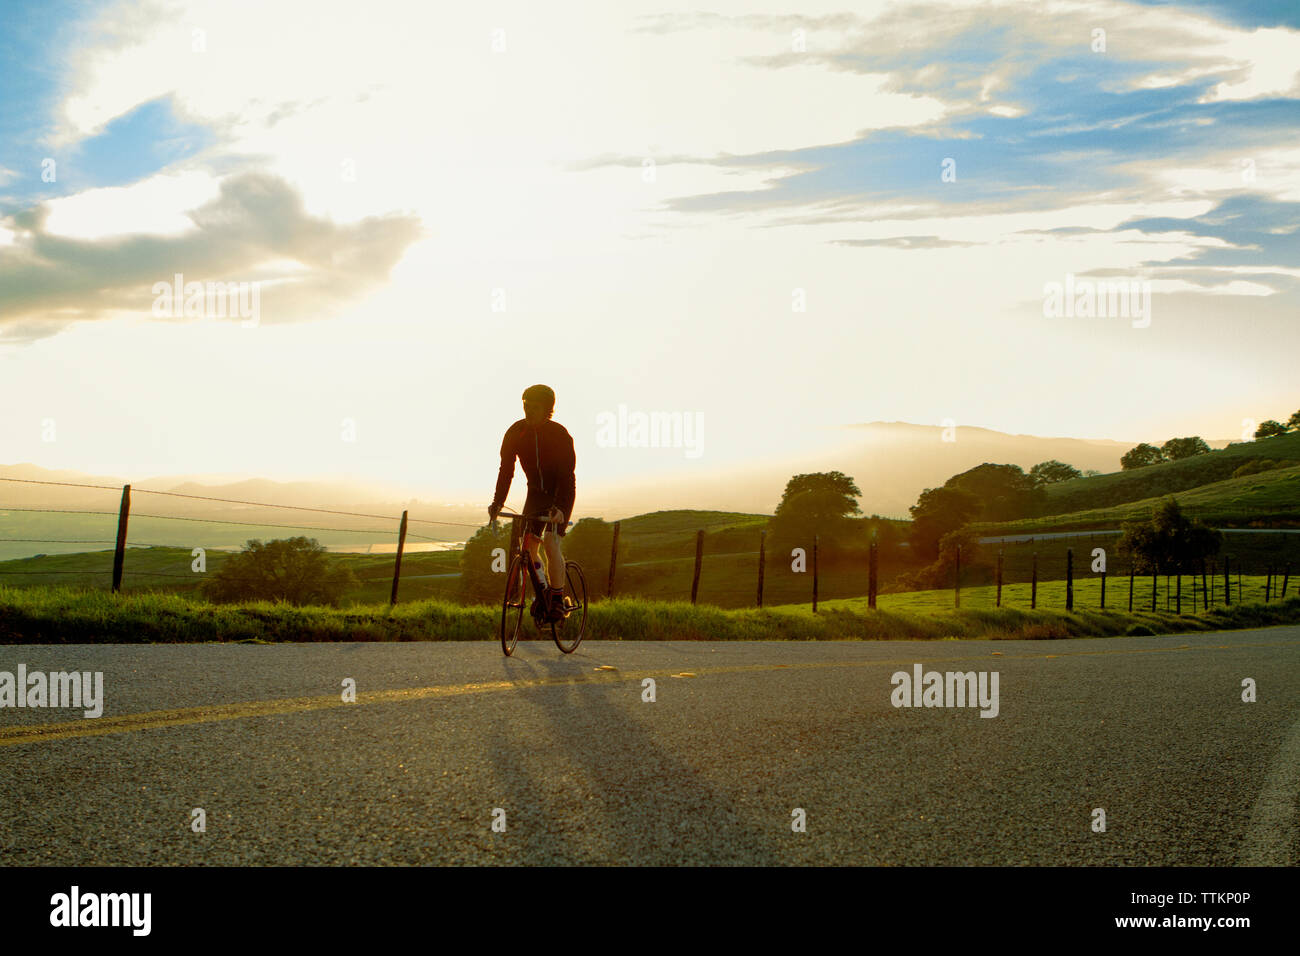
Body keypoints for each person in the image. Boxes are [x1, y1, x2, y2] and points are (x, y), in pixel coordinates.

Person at [488, 384, 576, 619]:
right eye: (525, 406)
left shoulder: (559, 434)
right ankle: (543, 591)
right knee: (527, 547)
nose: (528, 411)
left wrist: (559, 508)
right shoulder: (515, 432)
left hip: (561, 493)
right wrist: (497, 502)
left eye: (534, 408)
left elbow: (566, 476)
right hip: (536, 494)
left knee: (550, 541)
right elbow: (506, 470)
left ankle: (557, 599)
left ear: (547, 410)